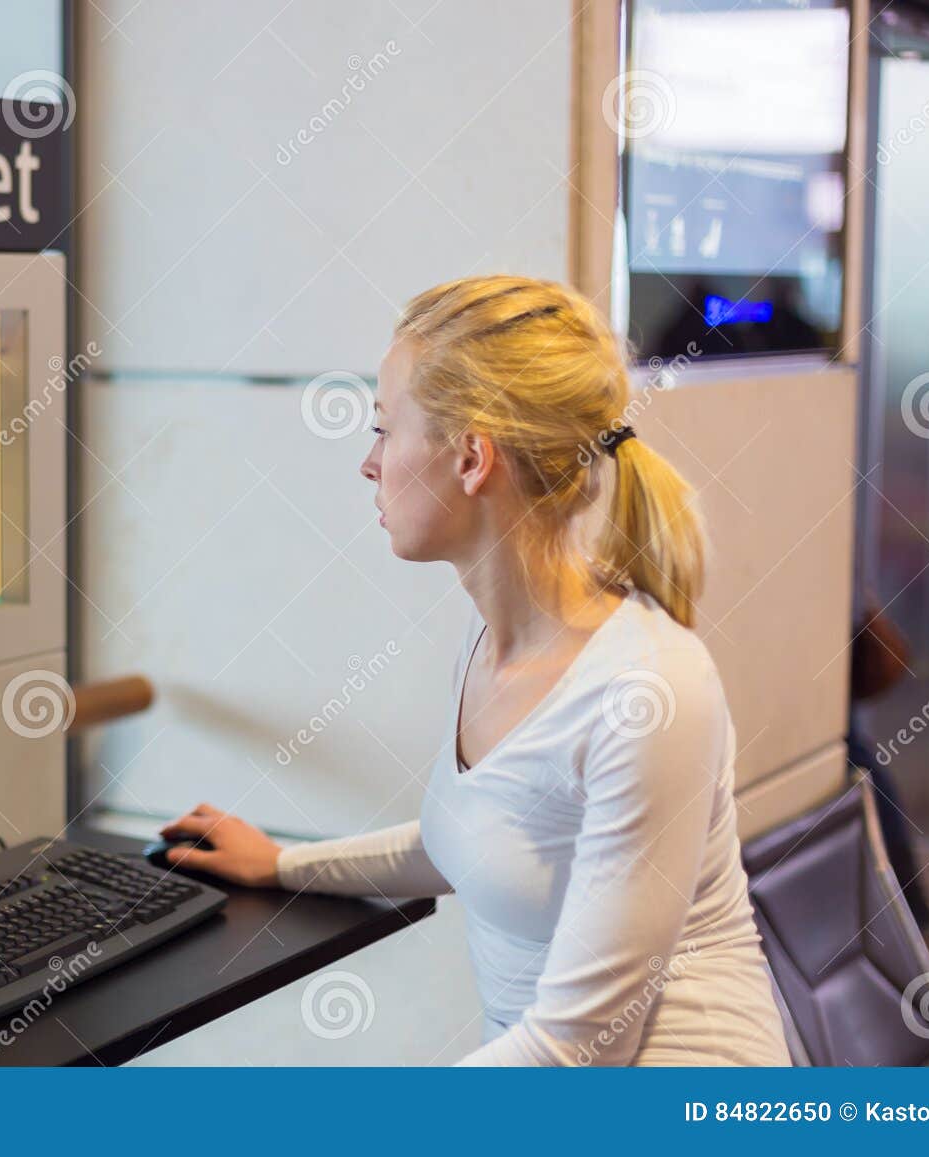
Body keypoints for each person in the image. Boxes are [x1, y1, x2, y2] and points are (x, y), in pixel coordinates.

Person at [160, 276, 792, 1067]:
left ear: (470, 457)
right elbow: (479, 837)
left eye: (385, 430)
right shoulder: (492, 636)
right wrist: (283, 864)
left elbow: (576, 1052)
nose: (368, 462)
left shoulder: (649, 692)